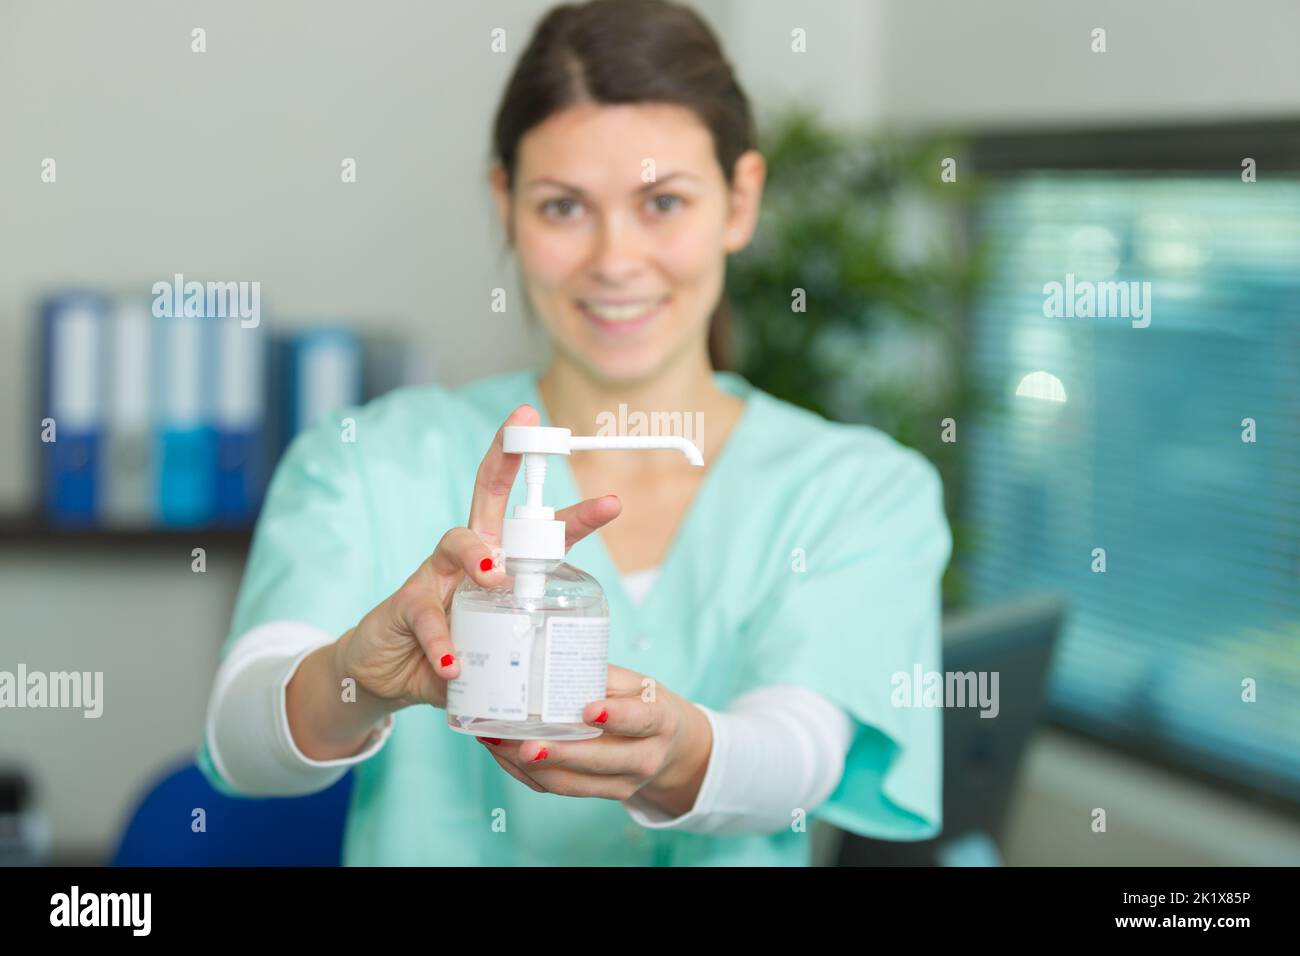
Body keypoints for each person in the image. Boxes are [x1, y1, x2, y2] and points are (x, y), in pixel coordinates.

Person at [197, 0, 951, 866]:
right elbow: (238, 741)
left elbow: (805, 753)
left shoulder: (857, 489)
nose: (614, 259)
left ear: (740, 202)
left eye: (663, 201)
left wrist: (677, 754)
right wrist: (355, 677)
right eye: (564, 208)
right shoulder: (367, 462)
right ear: (505, 203)